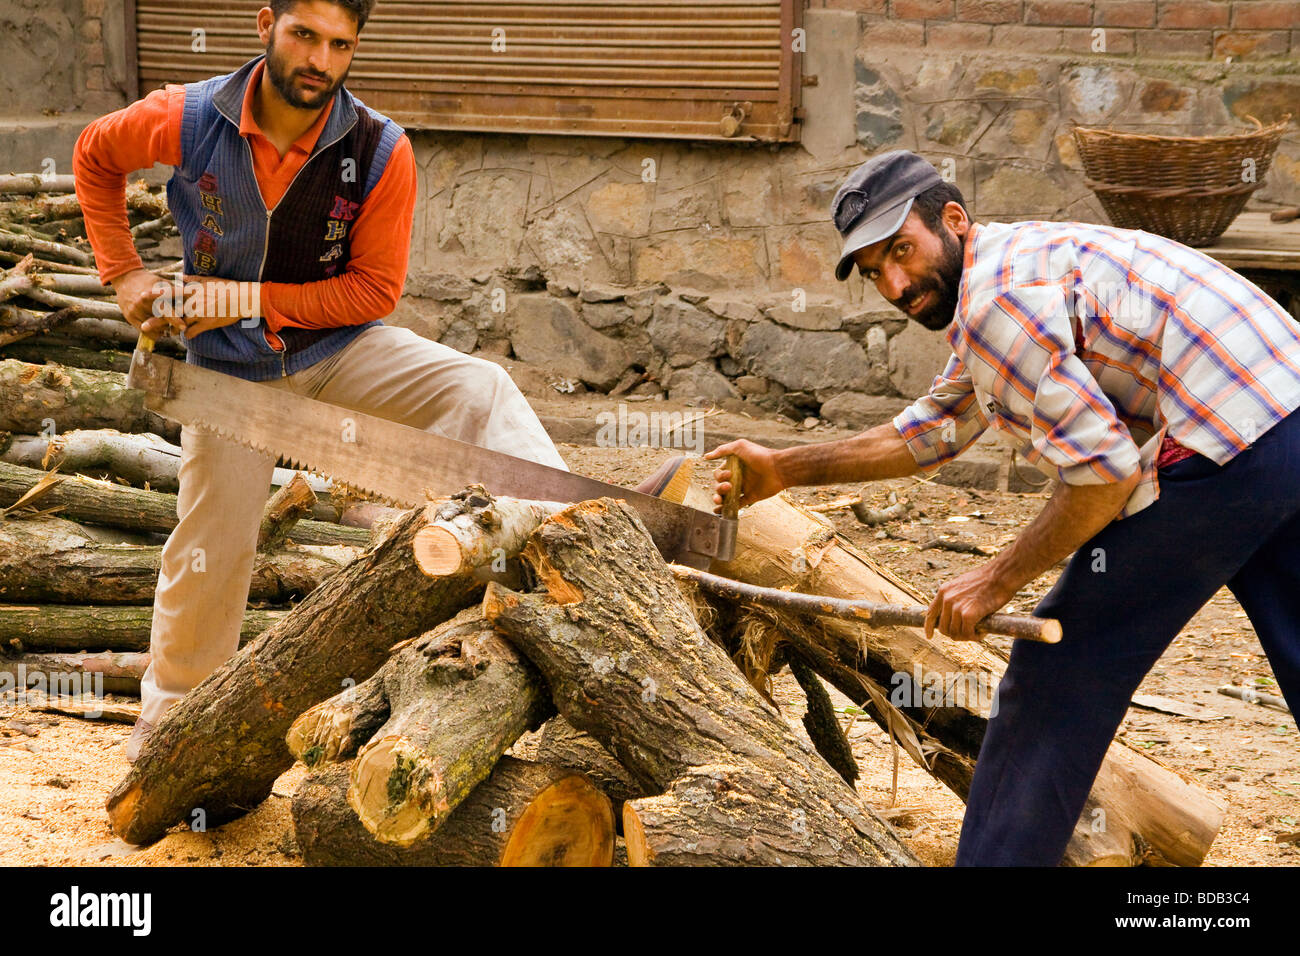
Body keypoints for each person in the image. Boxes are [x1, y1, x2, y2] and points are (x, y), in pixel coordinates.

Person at [74, 0, 685, 761]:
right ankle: (171, 728)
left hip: (336, 353)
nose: (319, 62)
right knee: (212, 543)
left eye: (339, 45)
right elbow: (95, 154)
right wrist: (123, 272)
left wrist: (244, 298)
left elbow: (371, 294)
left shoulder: (380, 148)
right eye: (303, 36)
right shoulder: (187, 117)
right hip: (228, 375)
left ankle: (586, 536)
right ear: (265, 24)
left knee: (478, 389)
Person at [707, 149, 1300, 865]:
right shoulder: (1005, 269)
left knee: (1060, 668)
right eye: (874, 271)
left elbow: (1103, 476)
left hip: (1230, 434)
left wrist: (995, 579)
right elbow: (935, 429)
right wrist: (786, 467)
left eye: (902, 251)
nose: (895, 283)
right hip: (1280, 413)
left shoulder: (998, 304)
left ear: (953, 220)